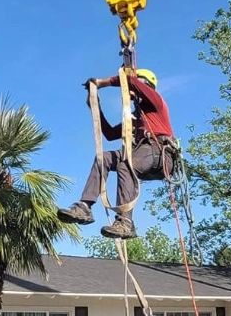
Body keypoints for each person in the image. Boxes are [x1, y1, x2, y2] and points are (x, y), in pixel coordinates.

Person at [59, 68, 176, 239]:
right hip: (142, 153)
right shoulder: (134, 119)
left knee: (126, 164)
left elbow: (128, 79)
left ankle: (125, 222)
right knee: (104, 158)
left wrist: (100, 83)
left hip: (159, 152)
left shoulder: (155, 102)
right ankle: (85, 206)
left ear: (148, 87)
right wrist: (95, 107)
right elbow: (110, 134)